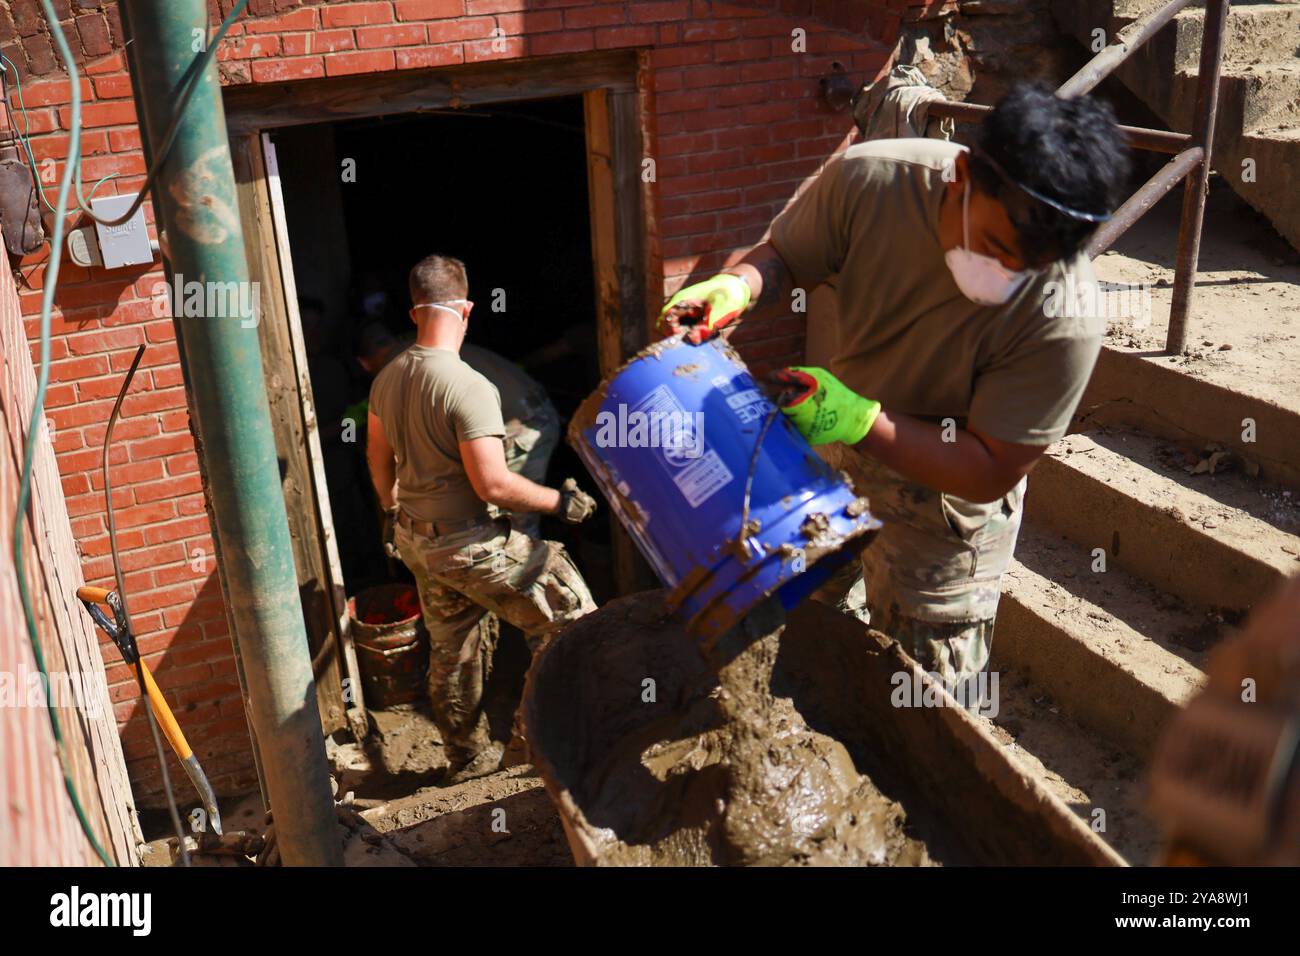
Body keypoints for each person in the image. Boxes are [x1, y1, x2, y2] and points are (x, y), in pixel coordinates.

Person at [659, 84, 1131, 694]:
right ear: (961, 175)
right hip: (833, 456)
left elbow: (990, 467)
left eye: (1028, 267)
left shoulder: (1065, 314)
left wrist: (865, 423)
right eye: (993, 248)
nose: (1004, 275)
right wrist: (737, 287)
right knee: (790, 631)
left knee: (926, 698)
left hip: (947, 499)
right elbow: (786, 256)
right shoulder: (872, 181)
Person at [366, 254, 598, 782]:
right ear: (467, 308)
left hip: (418, 542)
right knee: (572, 619)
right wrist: (559, 503)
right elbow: (493, 484)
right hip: (470, 543)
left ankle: (467, 760)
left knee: (452, 649)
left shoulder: (387, 378)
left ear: (413, 311)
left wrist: (390, 511)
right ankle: (529, 747)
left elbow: (377, 460)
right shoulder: (470, 385)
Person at [358, 325, 563, 536]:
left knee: (511, 527)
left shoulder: (398, 370)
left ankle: (546, 536)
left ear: (364, 364)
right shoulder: (426, 344)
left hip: (520, 427)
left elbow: (390, 455)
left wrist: (393, 511)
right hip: (534, 412)